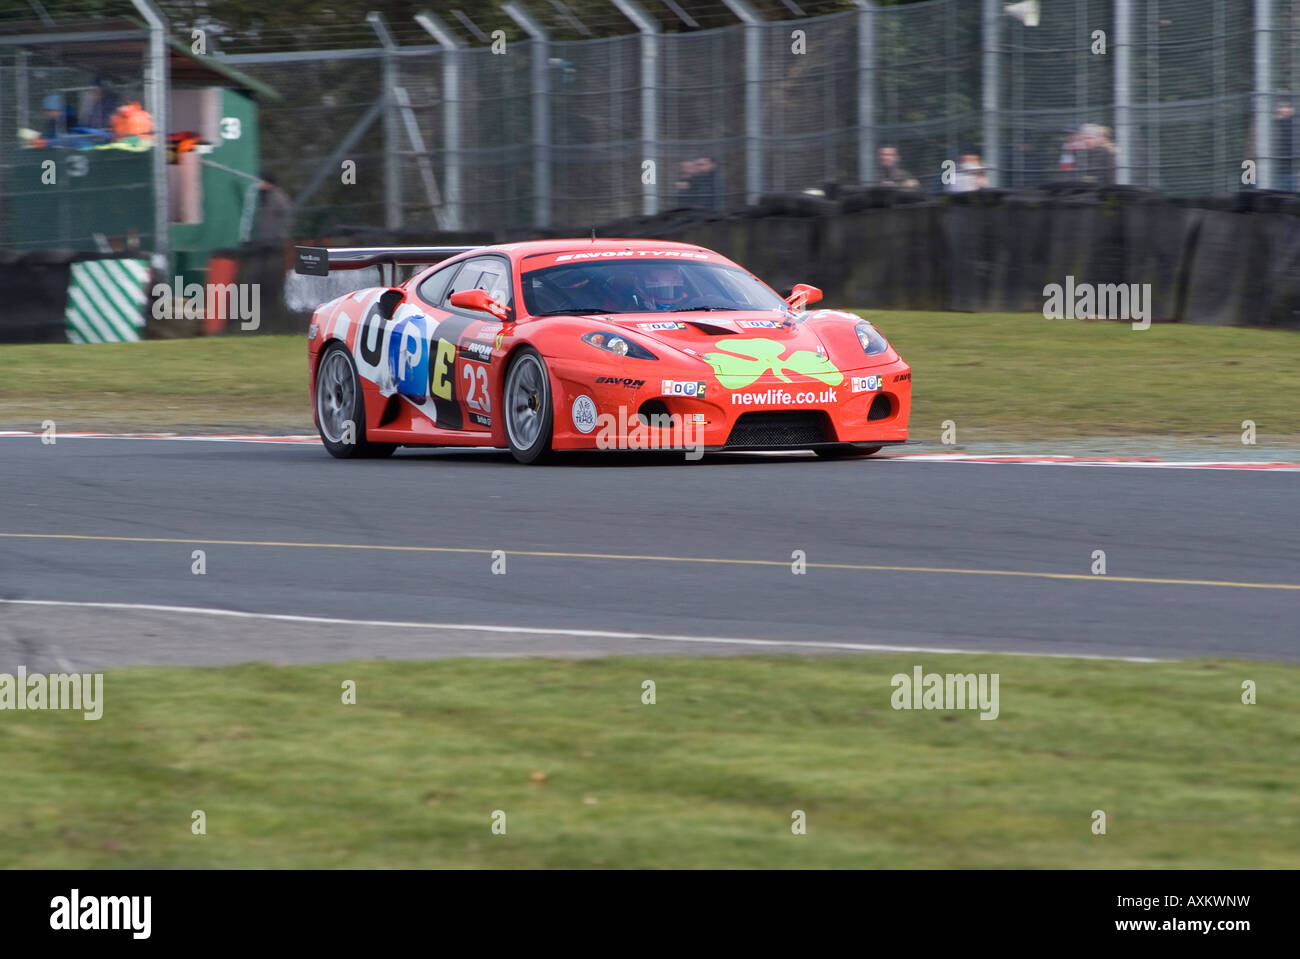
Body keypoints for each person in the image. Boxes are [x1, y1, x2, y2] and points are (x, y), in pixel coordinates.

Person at [256, 171, 293, 243]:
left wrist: (280, 235)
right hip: (265, 239)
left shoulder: (279, 197)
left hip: (275, 239)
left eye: (259, 181)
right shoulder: (264, 195)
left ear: (267, 182)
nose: (257, 184)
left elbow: (288, 217)